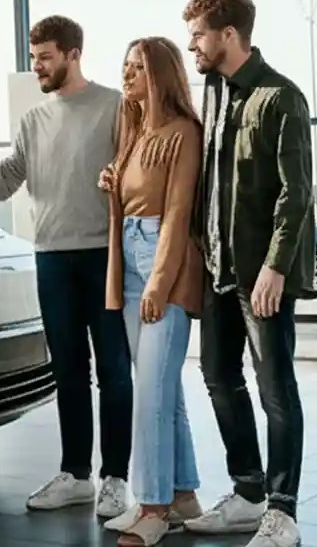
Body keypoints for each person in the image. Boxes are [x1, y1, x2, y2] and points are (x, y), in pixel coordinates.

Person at [0, 15, 132, 518]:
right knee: (68, 370)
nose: (38, 68)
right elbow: (3, 185)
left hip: (104, 257)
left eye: (46, 57)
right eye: (33, 58)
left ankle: (117, 478)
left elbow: (137, 179)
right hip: (50, 258)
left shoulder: (114, 106)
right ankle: (76, 475)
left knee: (114, 369)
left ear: (73, 54)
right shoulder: (32, 120)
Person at [180, 0, 313, 547]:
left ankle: (282, 511)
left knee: (275, 389)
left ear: (228, 35)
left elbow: (296, 193)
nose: (192, 46)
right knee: (218, 377)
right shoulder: (212, 96)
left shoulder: (281, 98)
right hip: (217, 268)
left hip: (262, 275)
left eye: (198, 36)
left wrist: (276, 268)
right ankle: (248, 492)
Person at [97, 37, 205, 545]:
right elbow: (135, 194)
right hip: (131, 255)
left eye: (137, 67)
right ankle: (183, 496)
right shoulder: (136, 131)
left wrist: (160, 283)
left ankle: (153, 507)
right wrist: (113, 185)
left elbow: (179, 213)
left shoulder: (184, 132)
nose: (127, 75)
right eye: (124, 66)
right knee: (163, 386)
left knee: (151, 393)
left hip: (164, 261)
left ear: (160, 74)